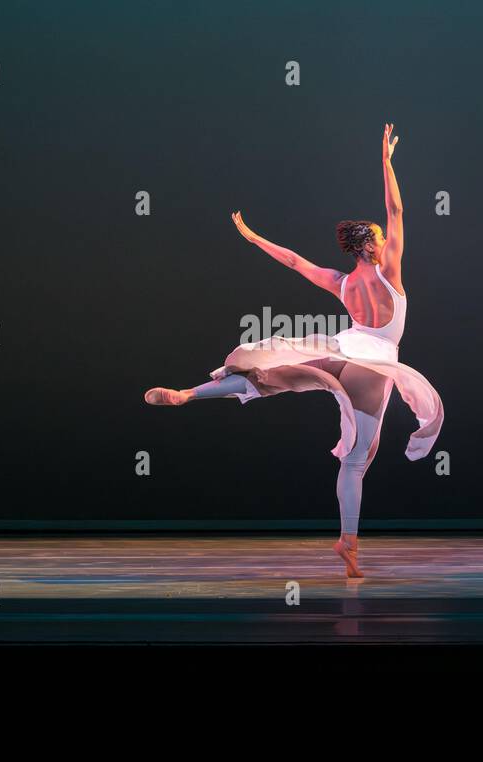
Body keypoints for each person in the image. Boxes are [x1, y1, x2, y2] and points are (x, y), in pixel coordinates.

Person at [145, 124, 443, 577]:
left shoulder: (343, 283)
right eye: (380, 238)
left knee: (273, 378)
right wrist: (385, 163)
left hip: (338, 349)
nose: (386, 241)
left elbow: (294, 261)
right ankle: (348, 542)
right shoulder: (388, 273)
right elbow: (397, 207)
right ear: (369, 247)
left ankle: (190, 394)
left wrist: (253, 238)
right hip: (372, 364)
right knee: (357, 460)